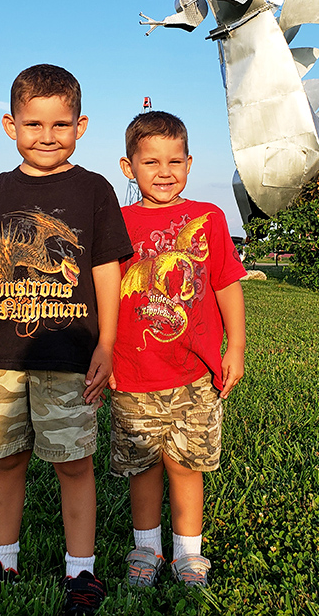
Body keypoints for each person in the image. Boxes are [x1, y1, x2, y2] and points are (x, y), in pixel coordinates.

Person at [0, 64, 132, 615]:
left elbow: (107, 270)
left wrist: (106, 342)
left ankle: (81, 575)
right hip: (1, 355)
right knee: (6, 460)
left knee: (72, 463)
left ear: (81, 125)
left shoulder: (95, 189)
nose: (47, 135)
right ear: (11, 125)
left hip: (69, 357)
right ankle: (0, 561)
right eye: (34, 124)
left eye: (61, 123)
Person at [110, 111, 246, 589]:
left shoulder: (209, 218)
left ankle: (189, 556)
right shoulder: (117, 223)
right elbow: (102, 291)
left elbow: (228, 283)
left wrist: (238, 347)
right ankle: (146, 550)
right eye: (150, 162)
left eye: (174, 161)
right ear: (129, 168)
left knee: (187, 467)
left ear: (189, 163)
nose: (163, 172)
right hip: (132, 372)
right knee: (143, 468)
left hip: (195, 373)